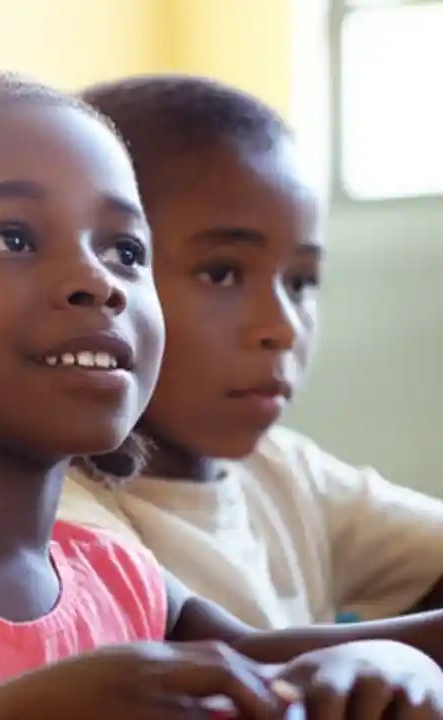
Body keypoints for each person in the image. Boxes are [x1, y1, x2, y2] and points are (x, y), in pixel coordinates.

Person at [0, 72, 443, 720]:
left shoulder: (116, 573)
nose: (98, 280)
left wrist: (383, 661)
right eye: (12, 239)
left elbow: (269, 663)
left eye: (126, 251)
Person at [55, 75, 443, 628]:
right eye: (221, 273)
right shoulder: (55, 508)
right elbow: (232, 673)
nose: (281, 328)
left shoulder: (284, 472)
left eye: (302, 282)